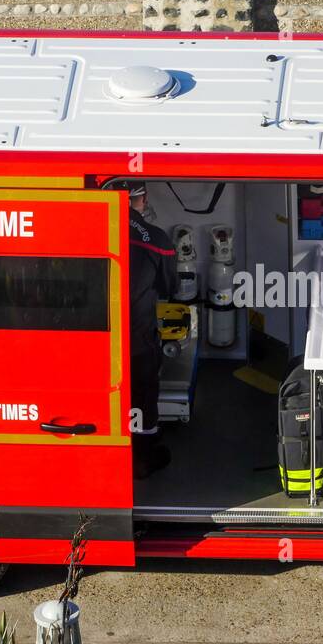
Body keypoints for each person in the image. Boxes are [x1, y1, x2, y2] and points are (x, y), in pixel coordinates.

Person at [124, 181, 178, 479]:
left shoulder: (92, 228)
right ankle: (143, 456)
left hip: (97, 338)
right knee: (142, 392)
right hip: (138, 337)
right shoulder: (157, 239)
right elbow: (170, 287)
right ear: (141, 199)